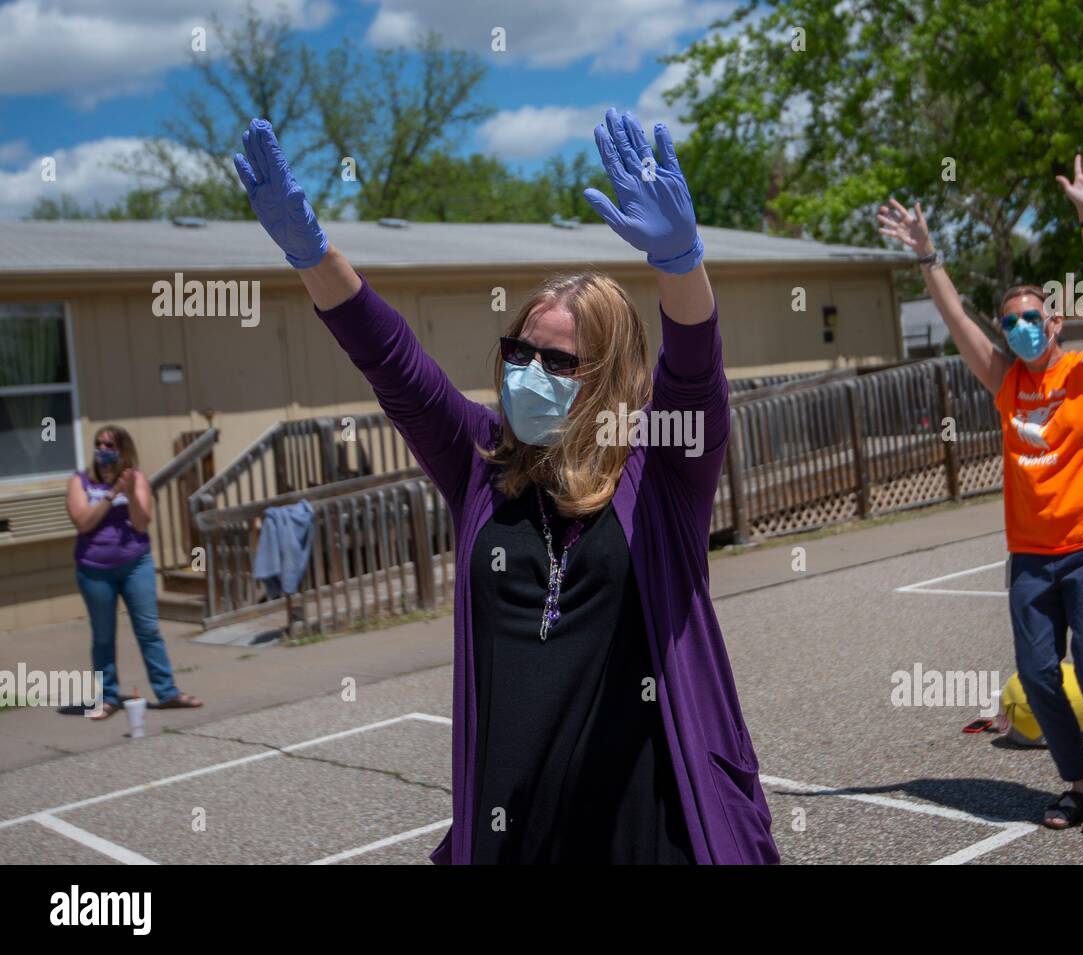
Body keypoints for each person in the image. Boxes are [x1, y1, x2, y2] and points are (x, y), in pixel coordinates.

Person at [234, 112, 779, 864]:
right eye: (519, 350)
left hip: (650, 826)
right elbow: (392, 362)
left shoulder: (660, 467)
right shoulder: (480, 460)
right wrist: (313, 253)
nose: (529, 372)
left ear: (609, 378)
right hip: (513, 829)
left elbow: (695, 373)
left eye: (558, 361)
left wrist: (681, 263)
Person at [878, 151, 1083, 834]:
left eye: (1034, 316)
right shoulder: (1007, 384)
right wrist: (928, 255)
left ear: (1056, 322)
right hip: (1032, 556)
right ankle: (1079, 785)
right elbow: (956, 317)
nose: (1022, 325)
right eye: (1012, 319)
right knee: (1038, 673)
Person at [65, 426, 203, 719]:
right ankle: (107, 697)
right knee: (103, 635)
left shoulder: (136, 477)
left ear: (122, 449)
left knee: (149, 631)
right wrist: (111, 494)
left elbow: (141, 524)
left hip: (135, 565)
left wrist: (129, 494)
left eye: (109, 444)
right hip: (94, 570)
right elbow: (83, 523)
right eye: (98, 443)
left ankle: (167, 693)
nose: (102, 448)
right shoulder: (80, 481)